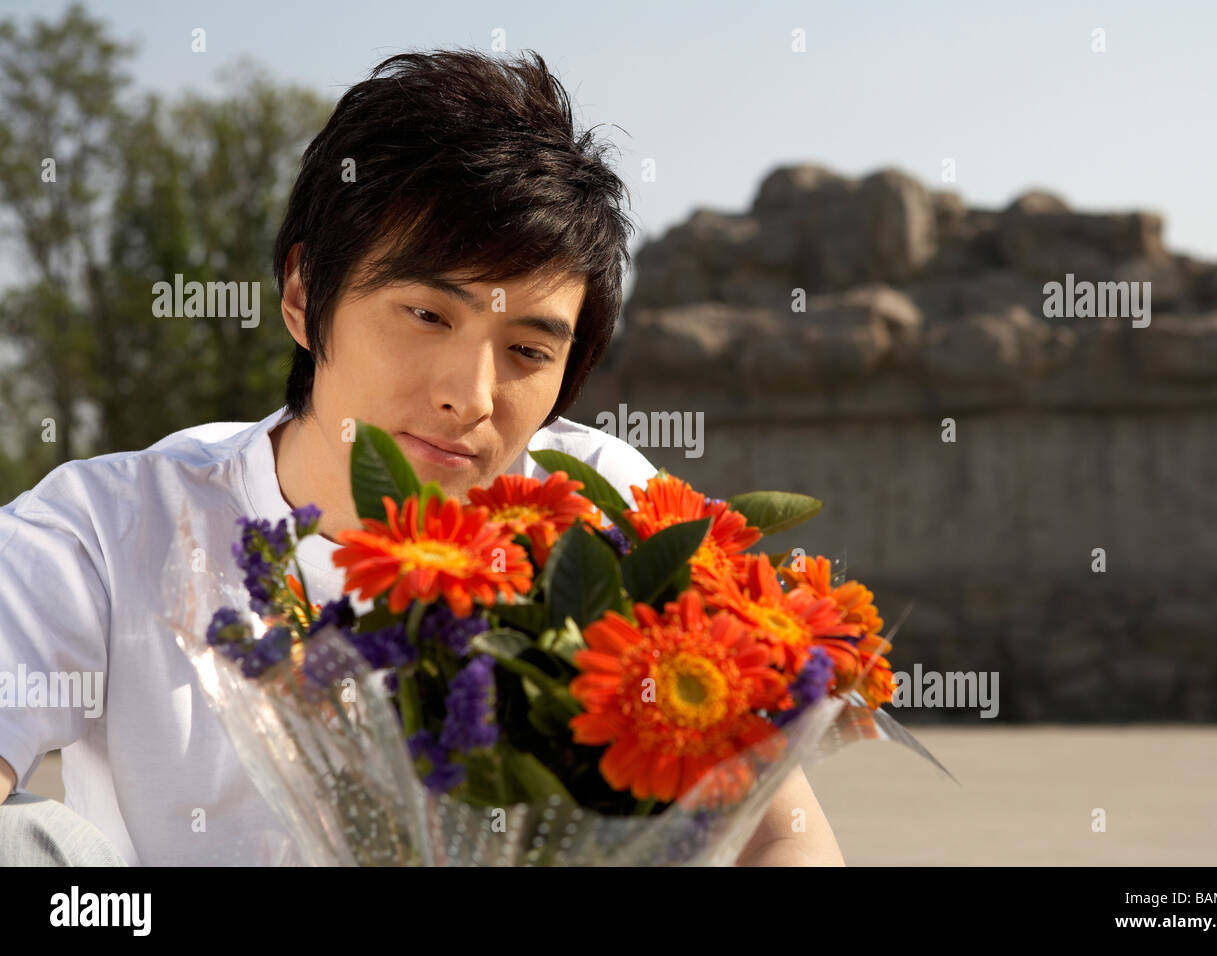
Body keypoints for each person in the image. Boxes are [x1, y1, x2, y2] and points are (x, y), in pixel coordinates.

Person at [0, 48, 844, 867]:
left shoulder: (610, 519)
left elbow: (780, 831)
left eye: (526, 349)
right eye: (428, 316)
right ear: (304, 294)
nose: (471, 397)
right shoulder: (110, 530)